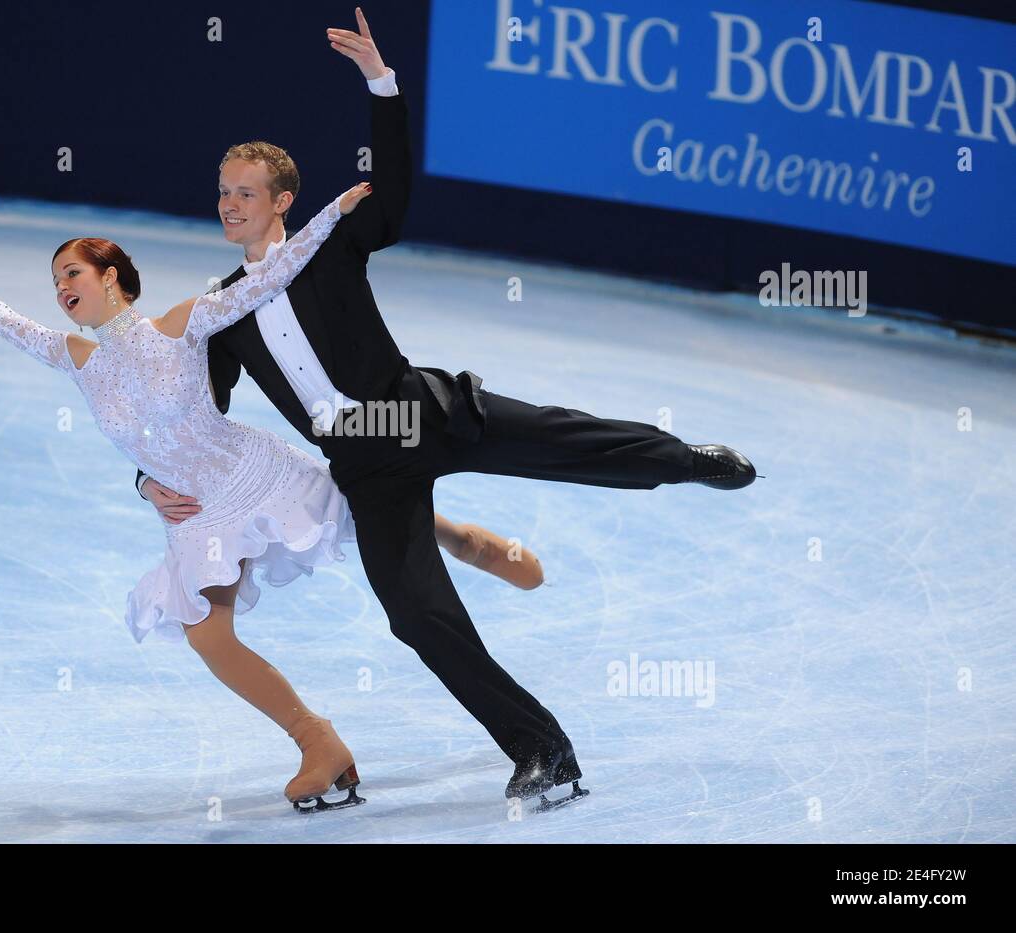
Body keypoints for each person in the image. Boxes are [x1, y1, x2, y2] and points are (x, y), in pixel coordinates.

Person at [134, 8, 759, 810]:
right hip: (366, 463)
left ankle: (685, 461)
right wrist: (149, 476)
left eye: (244, 192)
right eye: (222, 192)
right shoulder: (222, 309)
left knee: (568, 439)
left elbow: (391, 196)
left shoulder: (328, 243)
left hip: (419, 409)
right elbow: (196, 413)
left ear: (282, 200)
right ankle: (543, 748)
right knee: (417, 614)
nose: (228, 204)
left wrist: (381, 85)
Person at [0, 181, 545, 814]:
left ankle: (466, 539)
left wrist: (329, 218)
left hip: (253, 475)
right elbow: (6, 324)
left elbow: (267, 277)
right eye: (55, 281)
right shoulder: (76, 358)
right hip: (198, 514)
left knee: (385, 524)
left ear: (113, 277)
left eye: (73, 272)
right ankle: (318, 742)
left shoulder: (181, 323)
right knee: (208, 634)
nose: (62, 288)